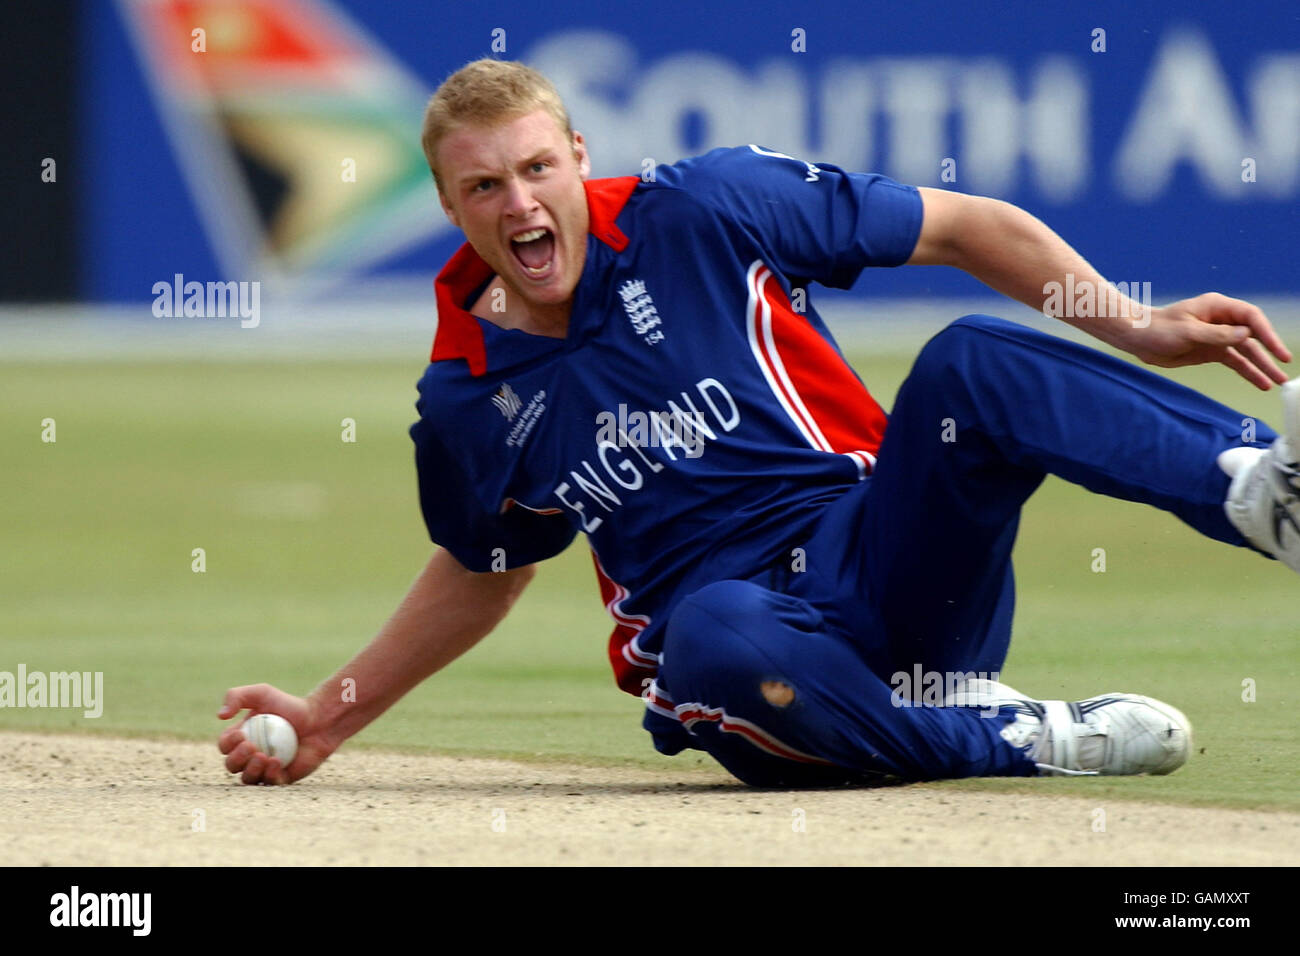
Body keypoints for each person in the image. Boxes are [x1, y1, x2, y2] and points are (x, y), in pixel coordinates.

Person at [219, 58, 1297, 787]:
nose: (521, 204)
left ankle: (1264, 492)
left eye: (539, 167)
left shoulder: (706, 207)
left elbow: (965, 227)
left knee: (972, 361)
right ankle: (1030, 735)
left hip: (888, 561)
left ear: (578, 156)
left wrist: (1141, 325)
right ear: (450, 208)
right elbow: (486, 564)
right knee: (711, 635)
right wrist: (330, 714)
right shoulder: (465, 392)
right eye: (485, 185)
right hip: (748, 654)